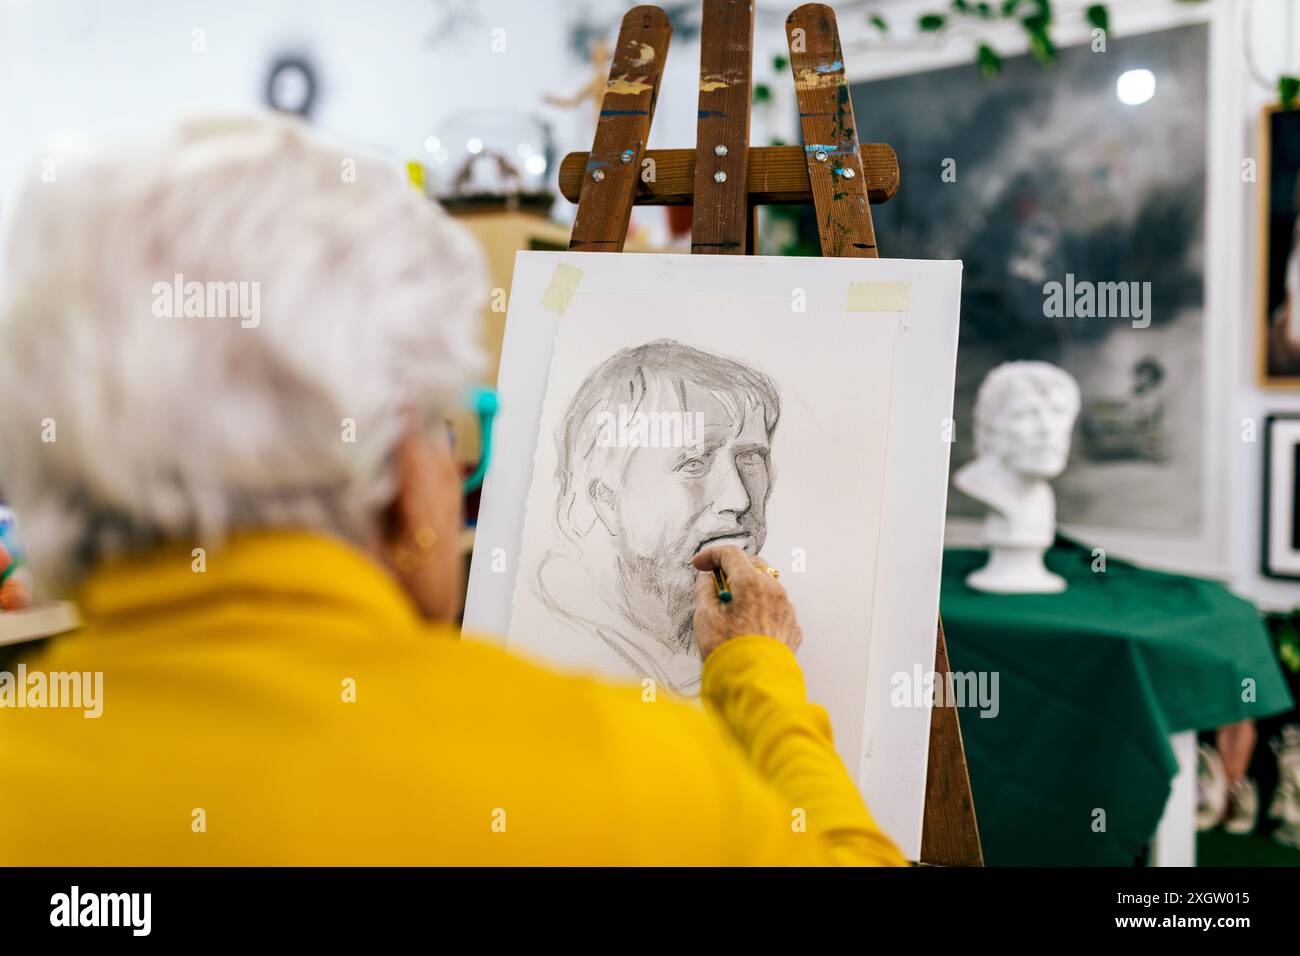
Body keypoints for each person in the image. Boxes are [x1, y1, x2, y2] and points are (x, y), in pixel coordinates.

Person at [0, 113, 905, 866]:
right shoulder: (624, 779)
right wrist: (761, 678)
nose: (738, 495)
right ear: (400, 470)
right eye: (451, 437)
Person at [534, 338, 778, 695]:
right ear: (606, 498)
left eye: (752, 457)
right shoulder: (555, 659)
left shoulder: (740, 639)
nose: (739, 499)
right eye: (693, 463)